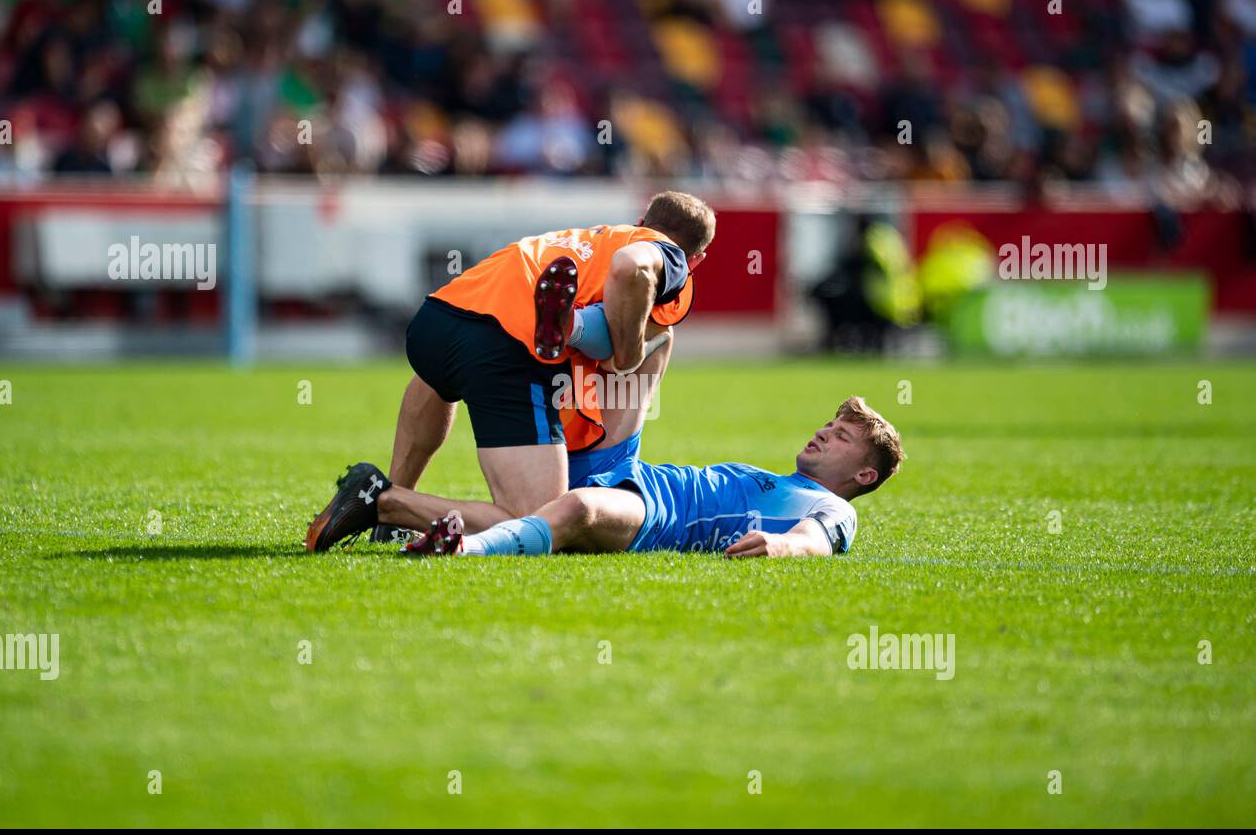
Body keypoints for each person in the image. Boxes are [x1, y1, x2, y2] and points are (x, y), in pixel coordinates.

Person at [305, 190, 716, 552]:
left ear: (640, 220)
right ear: (697, 258)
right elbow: (632, 267)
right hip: (505, 348)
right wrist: (628, 357)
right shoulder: (668, 256)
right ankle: (383, 502)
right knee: (541, 520)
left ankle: (396, 504)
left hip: (439, 317)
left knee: (441, 378)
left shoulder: (588, 237)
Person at [389, 395, 905, 560]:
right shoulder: (777, 479)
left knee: (578, 510)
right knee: (658, 341)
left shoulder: (836, 509)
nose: (822, 432)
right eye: (829, 424)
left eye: (840, 436)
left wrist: (782, 546)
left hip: (662, 516)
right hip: (635, 472)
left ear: (864, 472)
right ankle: (383, 501)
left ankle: (459, 549)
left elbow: (816, 540)